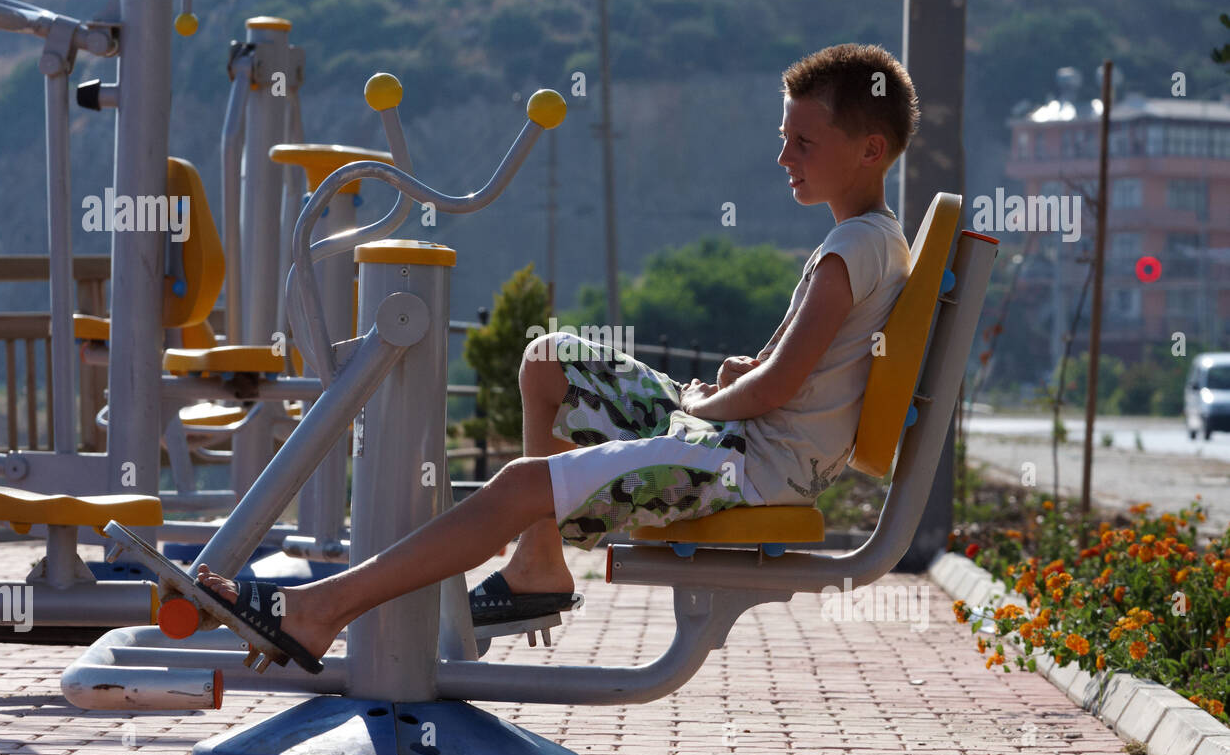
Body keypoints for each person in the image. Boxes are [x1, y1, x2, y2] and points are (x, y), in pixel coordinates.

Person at [195, 42, 921, 671]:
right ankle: (538, 565)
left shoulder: (850, 250)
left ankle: (321, 609)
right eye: (785, 137)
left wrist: (701, 403)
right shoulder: (871, 239)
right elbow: (792, 376)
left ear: (870, 150)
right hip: (742, 439)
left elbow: (776, 391)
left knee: (519, 484)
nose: (783, 157)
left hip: (749, 467)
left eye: (803, 142)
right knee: (549, 360)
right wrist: (741, 380)